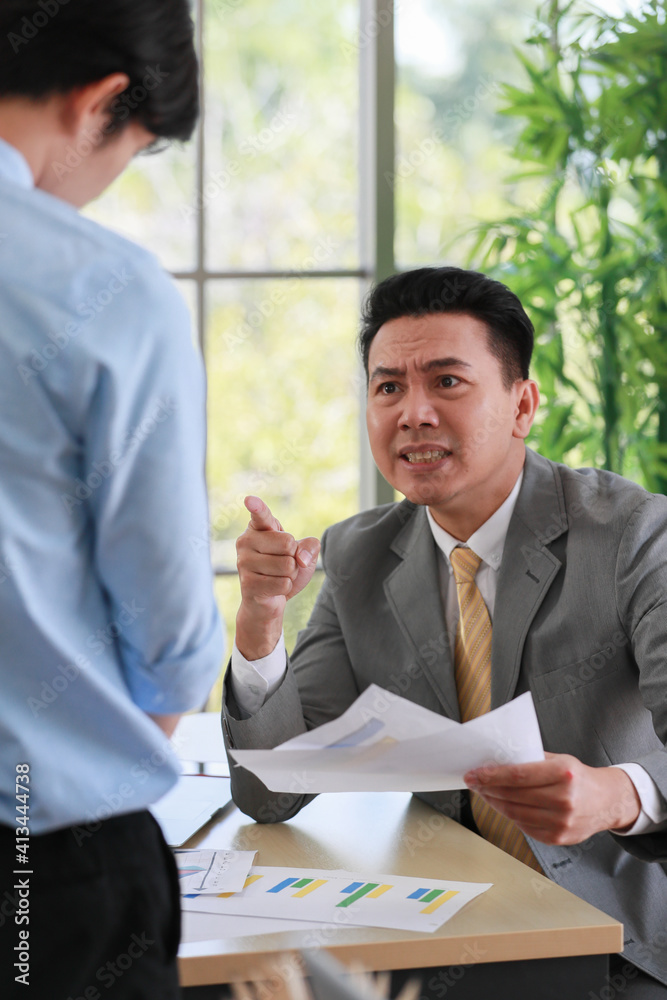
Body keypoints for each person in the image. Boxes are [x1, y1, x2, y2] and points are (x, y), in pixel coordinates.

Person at [223, 266, 667, 997]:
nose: (414, 414)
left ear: (522, 405)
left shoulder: (633, 536)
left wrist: (618, 796)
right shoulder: (360, 554)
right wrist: (261, 620)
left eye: (447, 382)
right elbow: (273, 791)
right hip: (450, 936)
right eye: (387, 387)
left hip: (622, 942)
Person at [0, 2, 224, 997]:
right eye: (129, 154)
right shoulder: (102, 289)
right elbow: (166, 627)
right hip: (46, 864)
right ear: (100, 103)